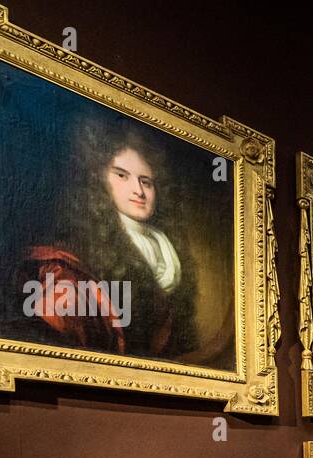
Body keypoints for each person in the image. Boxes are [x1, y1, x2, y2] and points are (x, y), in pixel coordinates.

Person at [22, 120, 202, 361]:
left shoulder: (167, 249)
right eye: (122, 175)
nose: (138, 190)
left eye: (145, 181)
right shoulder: (79, 252)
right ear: (100, 181)